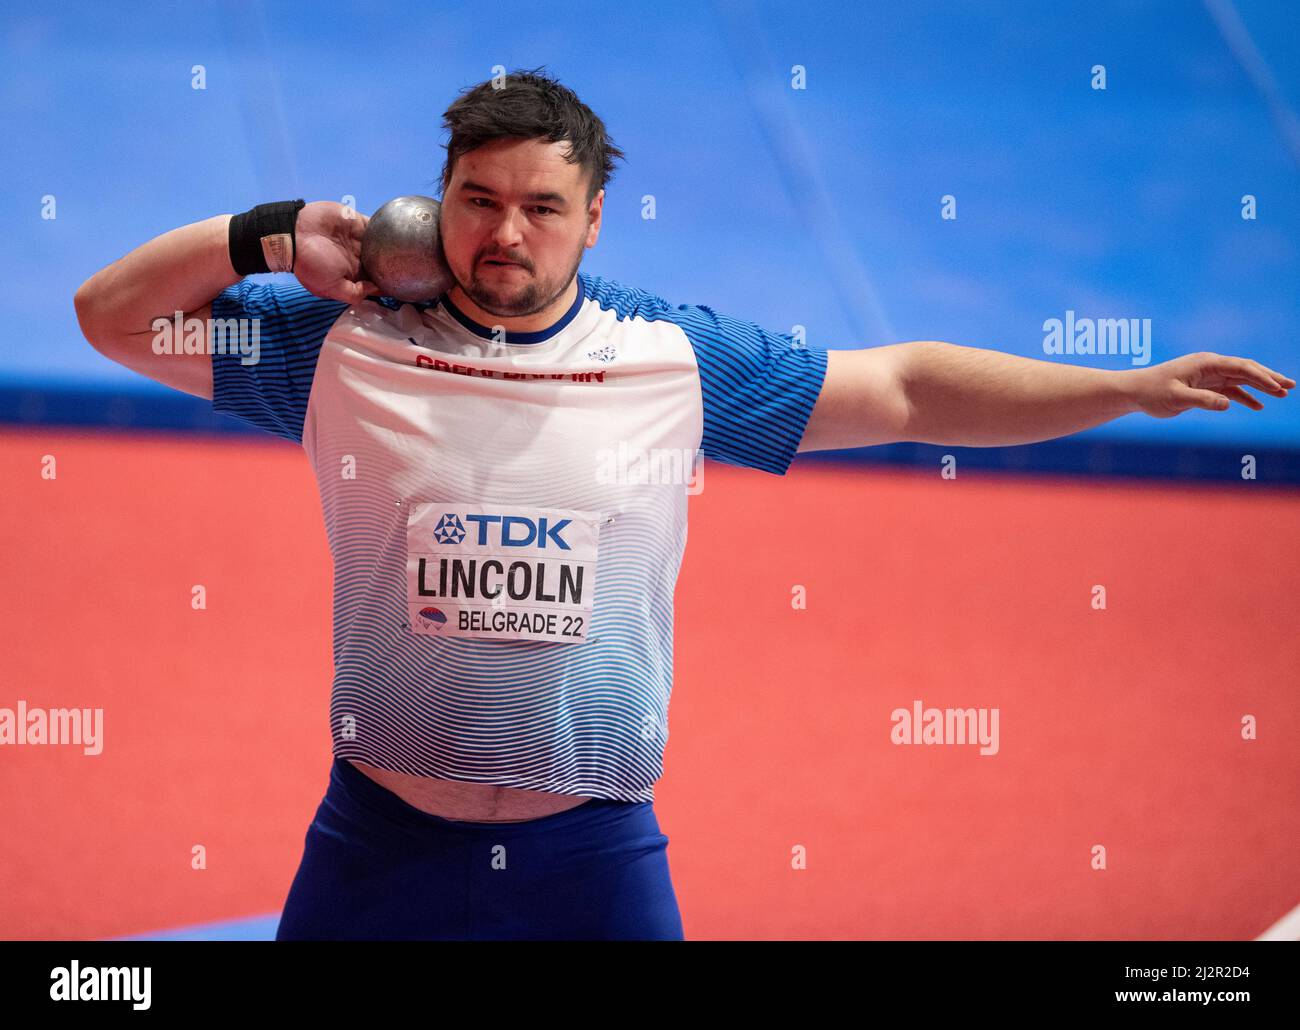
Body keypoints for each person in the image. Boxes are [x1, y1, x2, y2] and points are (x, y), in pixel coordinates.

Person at [72, 67, 1293, 941]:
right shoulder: (338, 345)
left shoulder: (671, 359)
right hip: (379, 842)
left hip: (589, 858)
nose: (506, 233)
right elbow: (108, 314)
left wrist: (1125, 385)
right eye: (478, 199)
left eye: (542, 206)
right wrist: (272, 233)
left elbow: (911, 388)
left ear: (593, 219)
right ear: (433, 202)